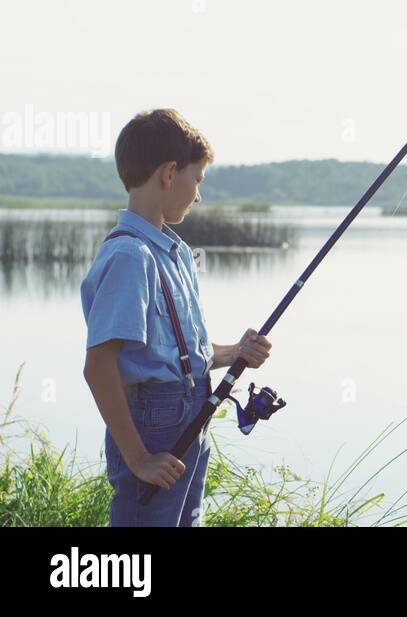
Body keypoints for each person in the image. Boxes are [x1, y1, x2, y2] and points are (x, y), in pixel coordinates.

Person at [81, 109, 272, 526]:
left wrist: (234, 352)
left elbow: (176, 353)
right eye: (197, 179)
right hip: (152, 429)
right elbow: (99, 367)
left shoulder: (175, 252)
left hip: (190, 416)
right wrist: (139, 458)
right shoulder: (131, 256)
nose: (198, 194)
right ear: (170, 173)